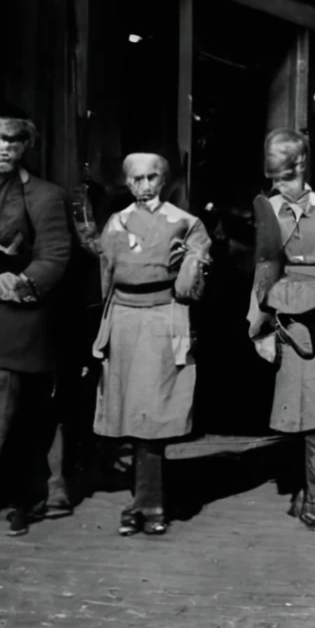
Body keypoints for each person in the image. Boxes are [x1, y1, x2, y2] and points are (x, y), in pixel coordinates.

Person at [91, 154, 211, 536]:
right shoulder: (116, 223)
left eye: (152, 178)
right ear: (127, 183)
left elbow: (196, 281)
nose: (144, 186)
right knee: (130, 413)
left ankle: (149, 504)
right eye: (136, 179)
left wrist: (191, 264)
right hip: (123, 319)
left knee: (154, 413)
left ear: (164, 180)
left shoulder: (186, 222)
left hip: (162, 317)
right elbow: (105, 277)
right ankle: (145, 502)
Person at [247, 129, 315, 530]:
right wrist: (259, 329)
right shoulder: (270, 209)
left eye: (284, 169)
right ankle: (307, 489)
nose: (279, 180)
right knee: (297, 414)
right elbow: (264, 270)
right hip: (287, 326)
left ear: (300, 163)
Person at [0, 114, 71, 536]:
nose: (3, 148)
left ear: (25, 146)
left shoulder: (46, 196)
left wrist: (20, 282)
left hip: (19, 316)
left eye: (12, 141)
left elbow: (55, 255)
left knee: (5, 406)